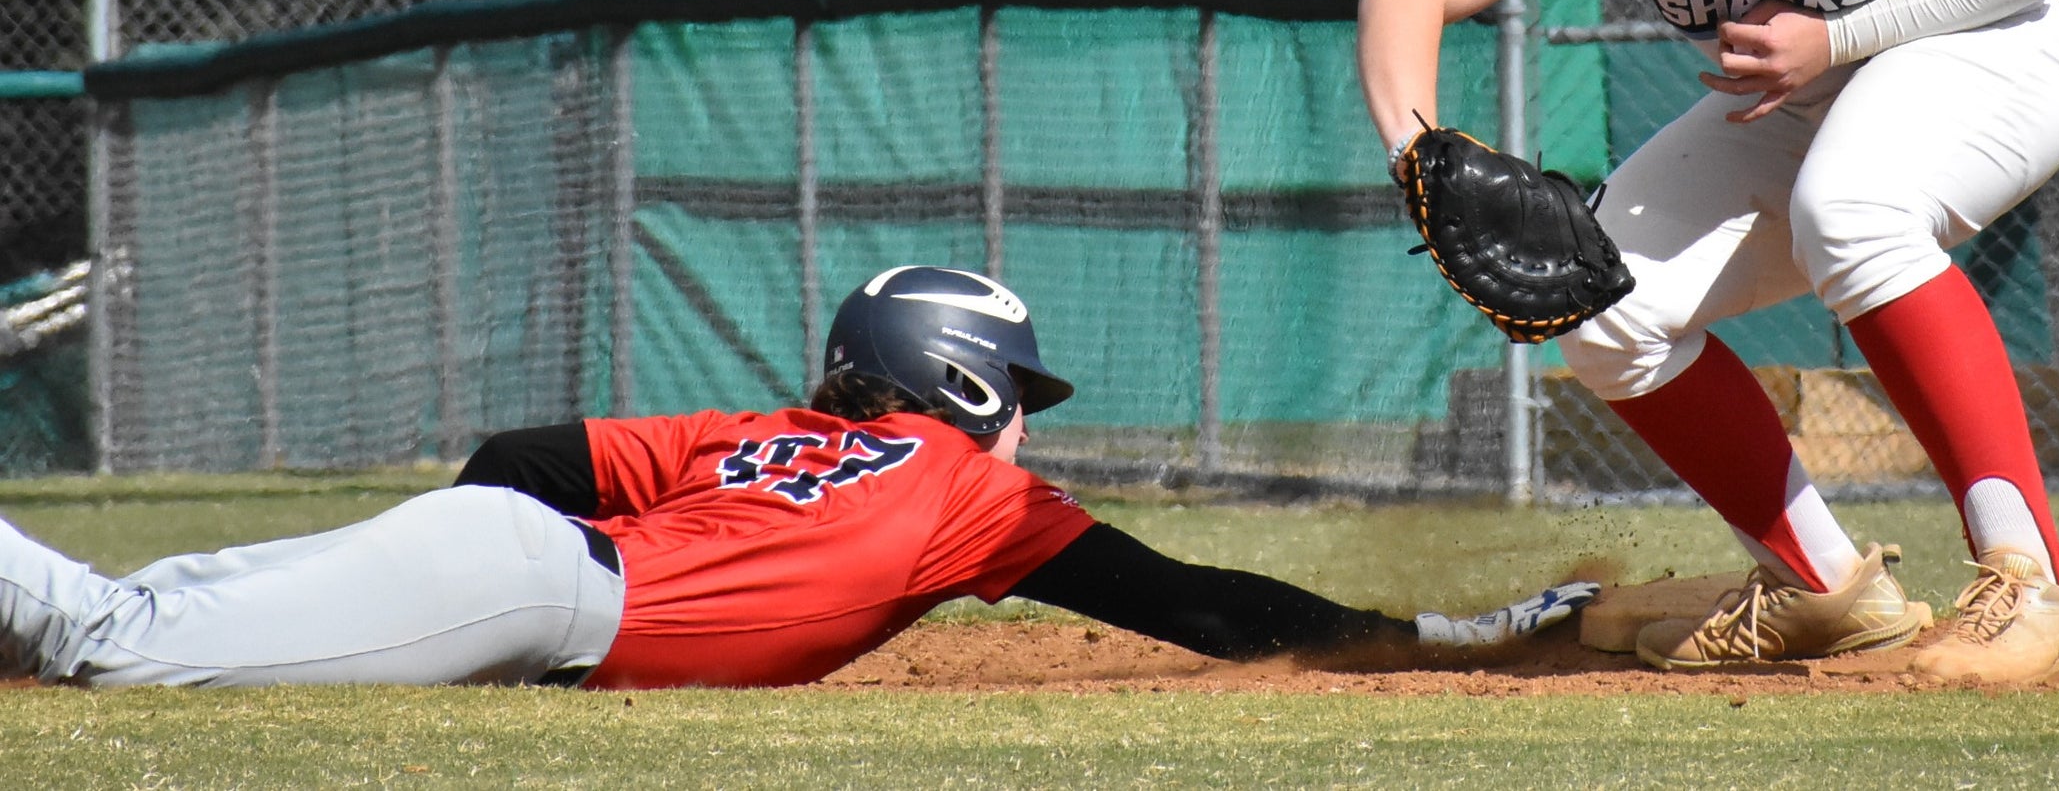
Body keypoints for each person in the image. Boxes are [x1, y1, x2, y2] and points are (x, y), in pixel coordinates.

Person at [1358, 0, 2059, 684]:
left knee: (1853, 211)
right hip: (1805, 96)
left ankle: (2035, 580)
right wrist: (1414, 158)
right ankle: (1822, 589)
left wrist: (1842, 35)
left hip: (1999, 53)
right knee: (1605, 309)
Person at [0, 265, 1594, 688]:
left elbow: (525, 462)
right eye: (1013, 389)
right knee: (112, 643)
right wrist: (1438, 638)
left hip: (509, 558)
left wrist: (543, 584)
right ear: (954, 378)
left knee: (124, 624)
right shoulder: (963, 490)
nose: (1022, 420)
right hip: (531, 586)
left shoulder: (754, 439)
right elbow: (1200, 604)